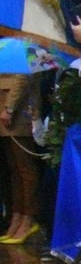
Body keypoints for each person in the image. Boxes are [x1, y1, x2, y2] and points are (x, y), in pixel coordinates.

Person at [0, 71, 41, 245]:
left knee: (25, 168)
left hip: (19, 110)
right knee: (14, 170)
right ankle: (17, 216)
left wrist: (10, 107)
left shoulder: (23, 53)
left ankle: (28, 218)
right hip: (5, 106)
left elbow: (23, 77)